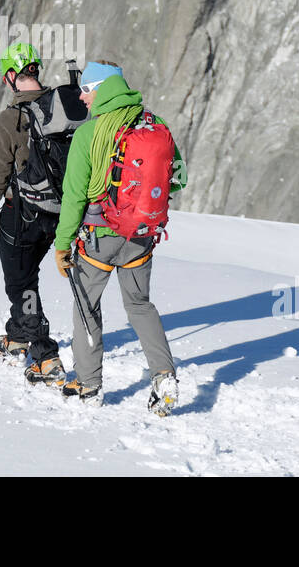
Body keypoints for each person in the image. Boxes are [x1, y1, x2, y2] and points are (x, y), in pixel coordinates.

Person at [53, 61, 185, 414]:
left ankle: (88, 383)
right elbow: (178, 178)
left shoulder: (90, 133)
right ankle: (164, 376)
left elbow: (74, 196)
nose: (82, 97)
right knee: (140, 305)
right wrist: (140, 202)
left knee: (87, 306)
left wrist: (62, 244)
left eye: (86, 89)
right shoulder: (155, 124)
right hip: (142, 235)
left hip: (100, 237)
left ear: (102, 89)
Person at [0, 42, 69, 385]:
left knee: (21, 283)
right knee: (26, 273)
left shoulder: (11, 118)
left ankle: (45, 355)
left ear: (12, 77)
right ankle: (17, 336)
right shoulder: (62, 109)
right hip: (62, 215)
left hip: (25, 215)